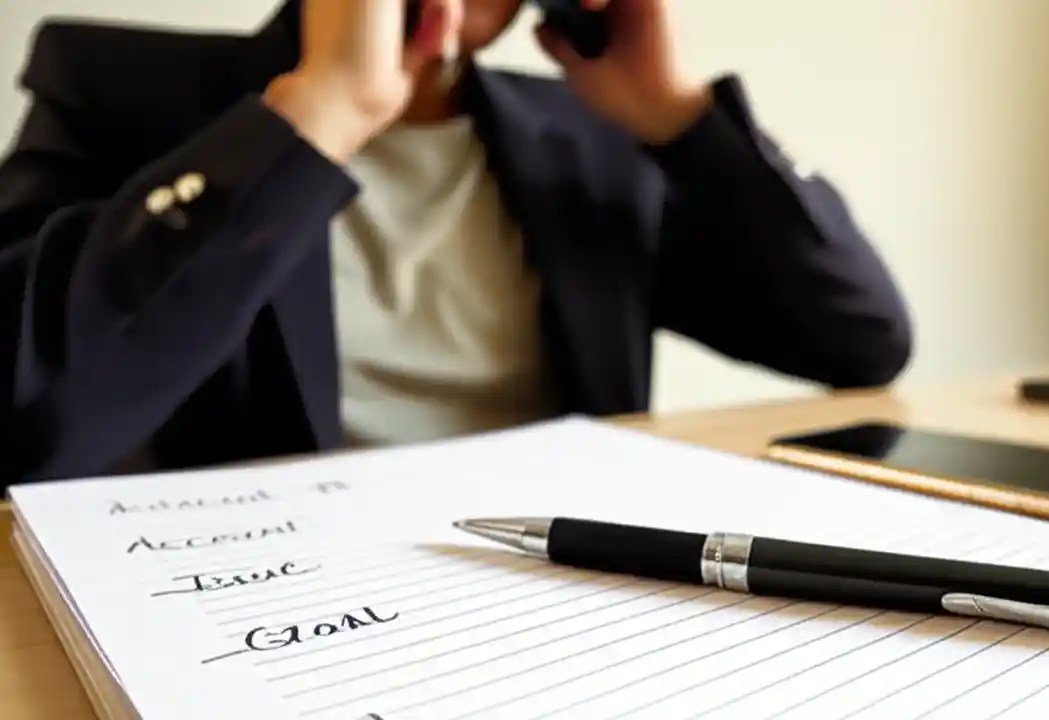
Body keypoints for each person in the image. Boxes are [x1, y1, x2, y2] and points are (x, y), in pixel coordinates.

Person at [0, 0, 912, 483]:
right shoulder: (116, 87)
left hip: (550, 596)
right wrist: (322, 111)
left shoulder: (588, 135)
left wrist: (676, 115)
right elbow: (22, 418)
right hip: (258, 616)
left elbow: (860, 340)